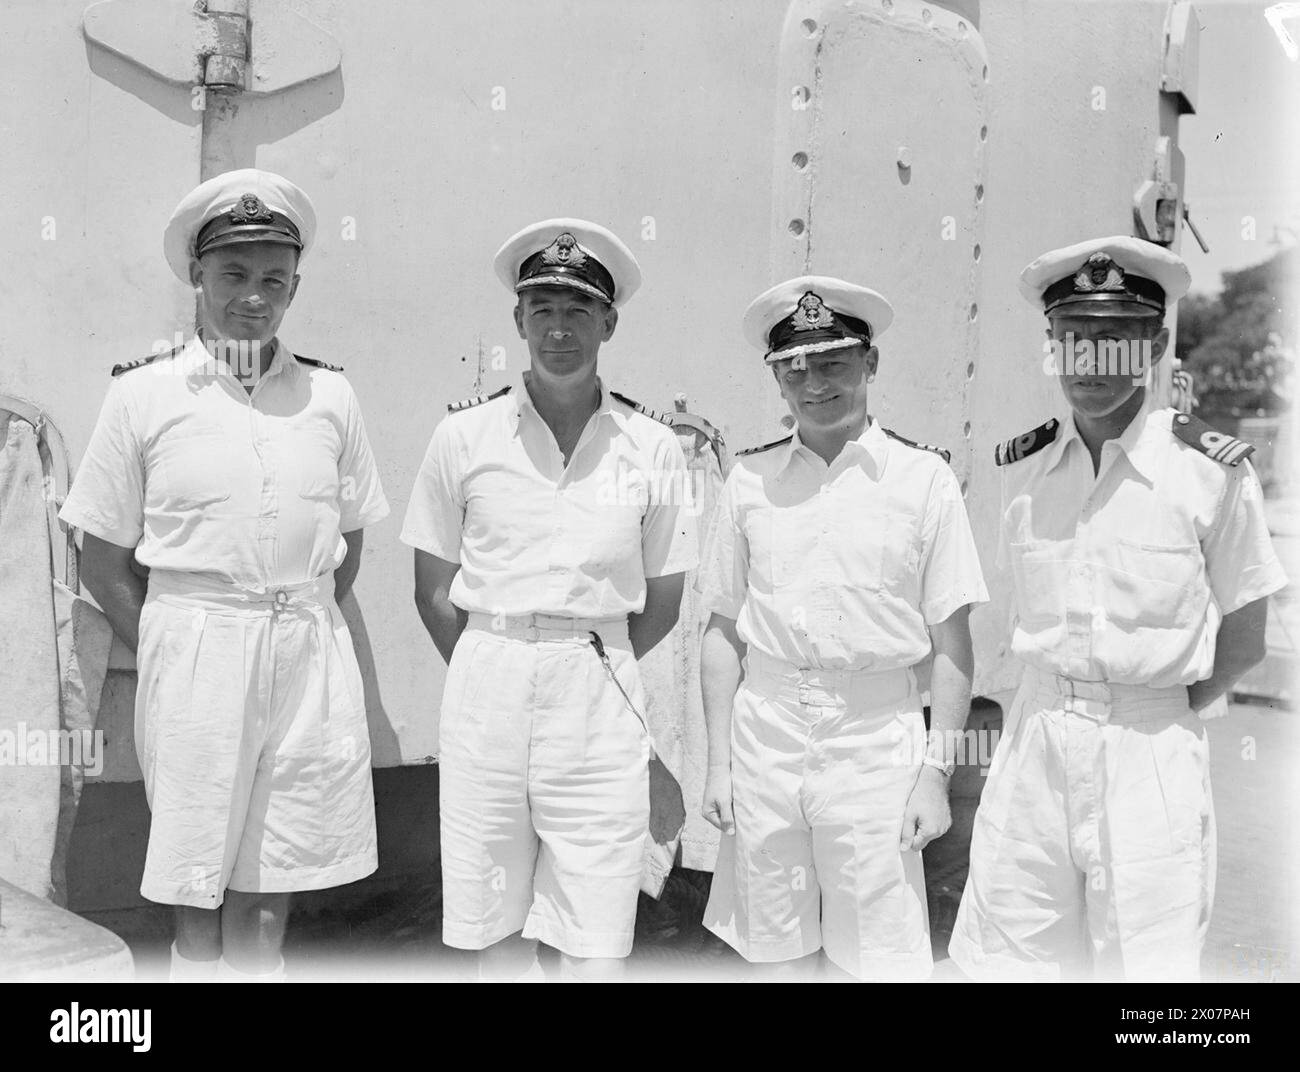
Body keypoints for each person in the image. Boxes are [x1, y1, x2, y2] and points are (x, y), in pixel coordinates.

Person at [59, 169, 389, 982]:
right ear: (198, 276)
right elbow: (101, 553)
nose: (254, 296)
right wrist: (176, 639)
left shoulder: (331, 396)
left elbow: (347, 542)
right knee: (196, 878)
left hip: (307, 651)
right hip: (195, 649)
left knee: (274, 885)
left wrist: (288, 619)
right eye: (235, 274)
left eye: (274, 279)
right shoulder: (143, 396)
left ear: (296, 285)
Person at [949, 236, 1288, 981]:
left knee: (1146, 972)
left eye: (1113, 339)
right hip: (1036, 735)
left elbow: (1248, 634)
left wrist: (1157, 703)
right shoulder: (1026, 471)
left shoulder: (1206, 475)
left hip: (1149, 747)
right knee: (1008, 958)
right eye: (1073, 340)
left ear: (1157, 344)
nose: (1090, 363)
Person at [401, 219, 697, 981]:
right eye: (542, 310)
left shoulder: (653, 448)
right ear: (518, 321)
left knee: (595, 927)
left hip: (598, 687)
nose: (558, 329)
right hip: (487, 679)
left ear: (609, 321)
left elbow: (662, 599)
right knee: (489, 918)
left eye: (577, 310)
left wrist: (577, 654)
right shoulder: (462, 438)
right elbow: (433, 590)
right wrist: (500, 653)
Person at [698, 275, 988, 980]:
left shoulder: (923, 481)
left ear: (870, 364)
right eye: (793, 368)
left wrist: (935, 775)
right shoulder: (749, 482)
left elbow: (953, 646)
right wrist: (717, 764)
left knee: (876, 961)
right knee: (774, 953)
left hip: (874, 744)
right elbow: (721, 634)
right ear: (776, 378)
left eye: (832, 362)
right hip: (766, 737)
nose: (813, 383)